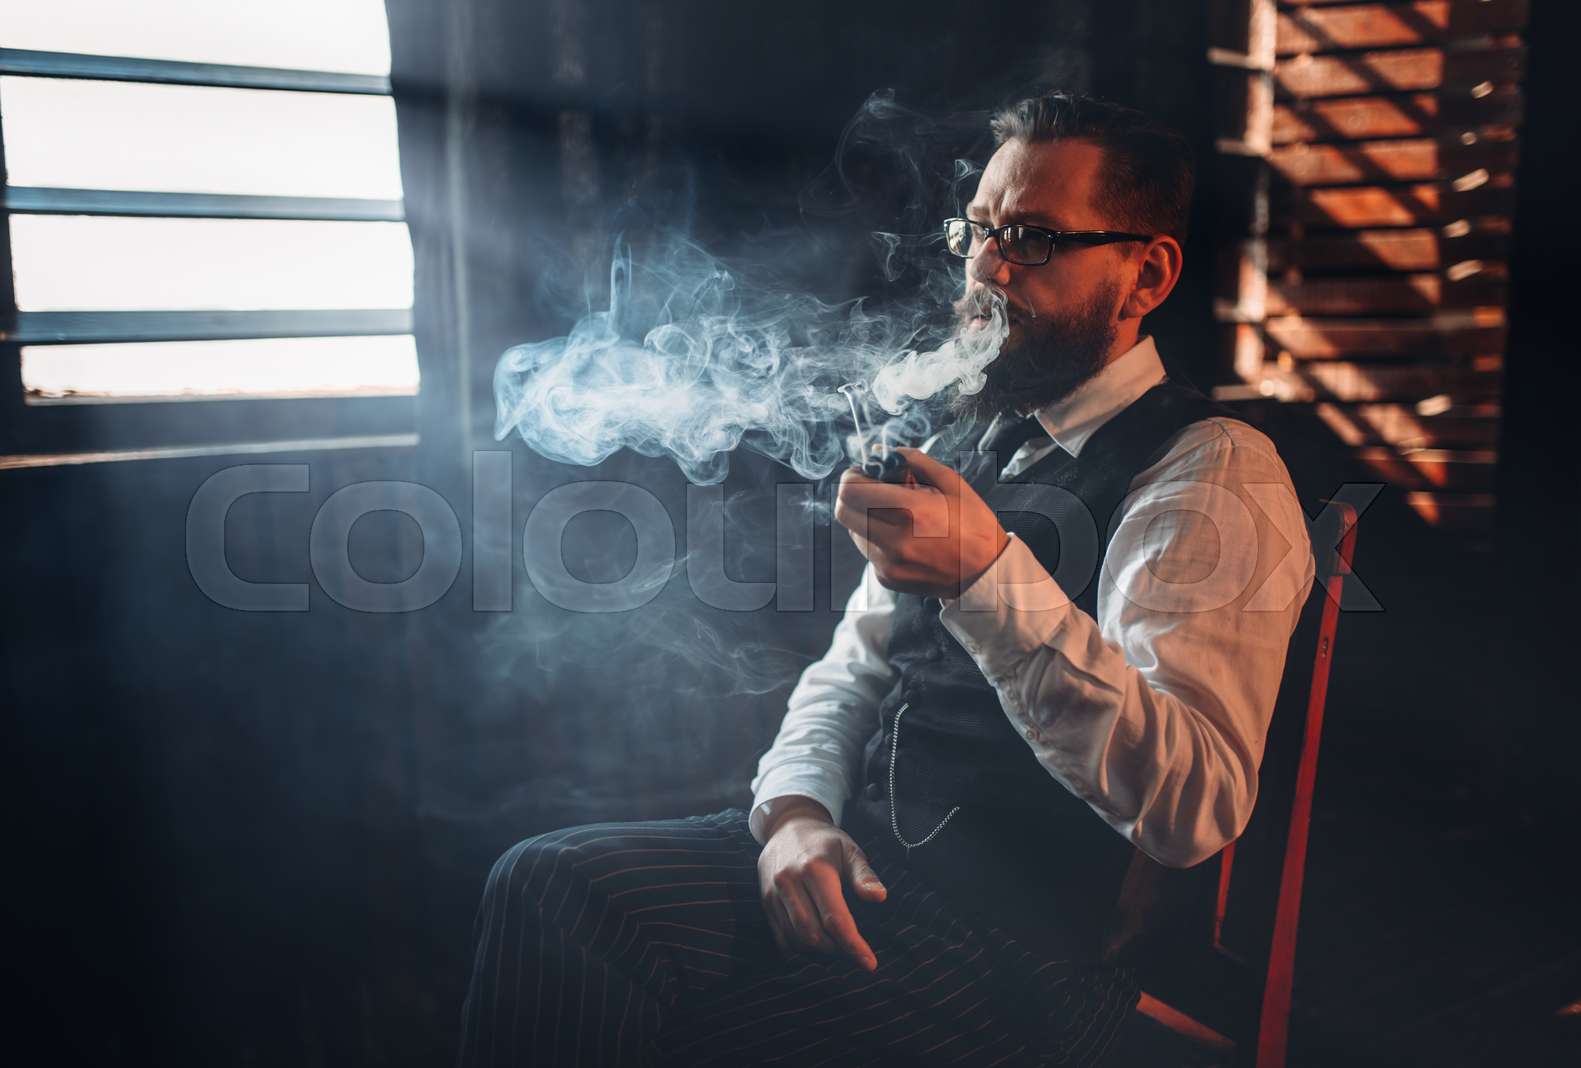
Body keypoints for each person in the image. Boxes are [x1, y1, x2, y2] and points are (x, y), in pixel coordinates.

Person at [458, 91, 1314, 1067]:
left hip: (1026, 956)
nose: (987, 268)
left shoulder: (1206, 467)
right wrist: (793, 818)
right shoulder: (962, 439)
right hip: (866, 876)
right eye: (978, 231)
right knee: (547, 882)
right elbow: (852, 669)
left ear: (1144, 275)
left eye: (1031, 238)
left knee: (697, 1035)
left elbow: (1191, 807)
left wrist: (984, 574)